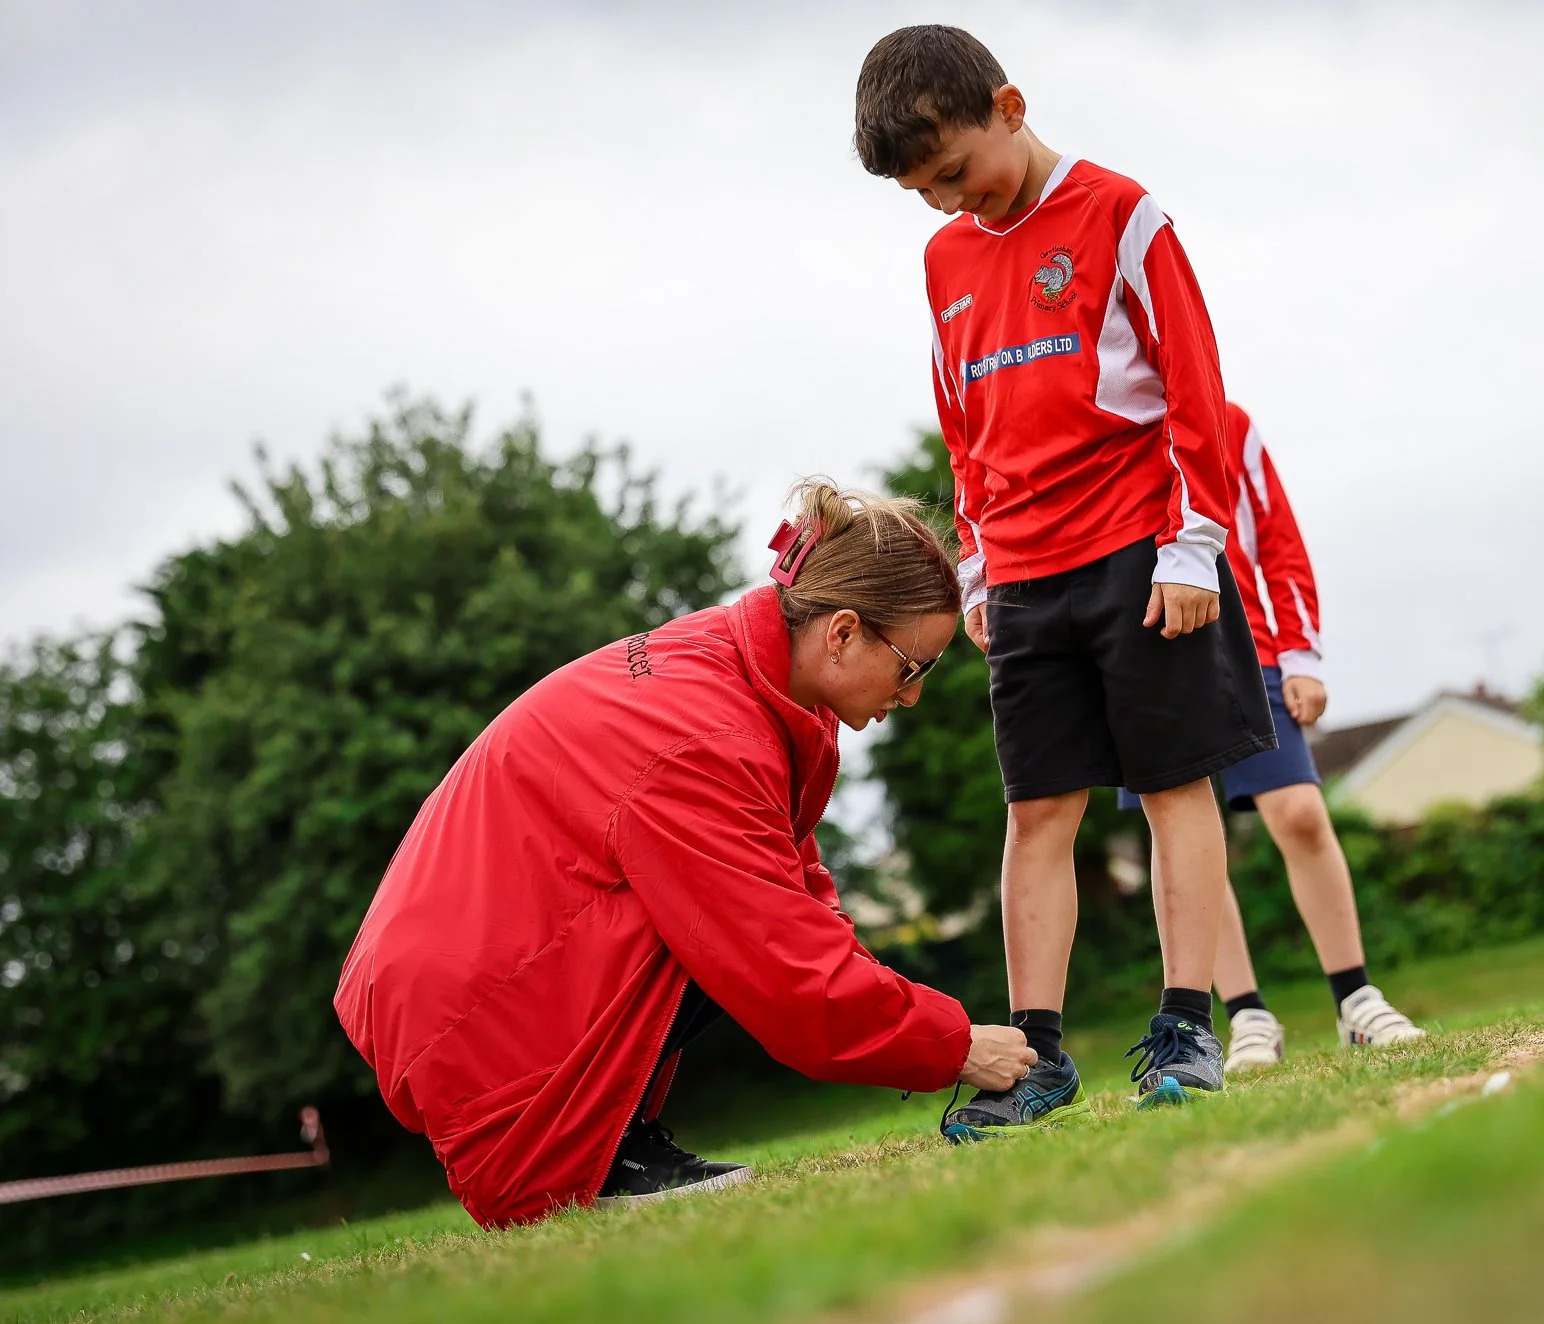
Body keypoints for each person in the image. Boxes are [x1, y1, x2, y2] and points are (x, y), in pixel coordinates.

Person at [333, 482, 1038, 1226]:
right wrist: (954, 1044)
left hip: (452, 960)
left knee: (719, 914)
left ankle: (618, 1145)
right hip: (463, 993)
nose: (912, 696)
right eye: (910, 667)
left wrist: (889, 998)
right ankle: (599, 1163)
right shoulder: (707, 737)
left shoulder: (746, 676)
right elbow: (783, 964)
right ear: (841, 633)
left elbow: (793, 885)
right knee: (715, 927)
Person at [855, 26, 1275, 1138]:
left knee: (1175, 791)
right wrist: (979, 569)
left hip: (1144, 558)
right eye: (922, 193)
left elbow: (1198, 391)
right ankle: (1030, 1058)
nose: (947, 204)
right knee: (1036, 810)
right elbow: (962, 426)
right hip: (1025, 578)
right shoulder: (944, 261)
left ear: (1008, 104)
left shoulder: (1122, 216)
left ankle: (1186, 1026)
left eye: (953, 172)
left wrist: (1194, 547)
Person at [1118, 403, 1424, 1071]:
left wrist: (1301, 654)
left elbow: (1275, 537)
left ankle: (1357, 999)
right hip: (1139, 647)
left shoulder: (1225, 420)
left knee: (1301, 814)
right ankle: (1247, 1014)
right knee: (1181, 840)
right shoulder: (1095, 417)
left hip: (1247, 646)